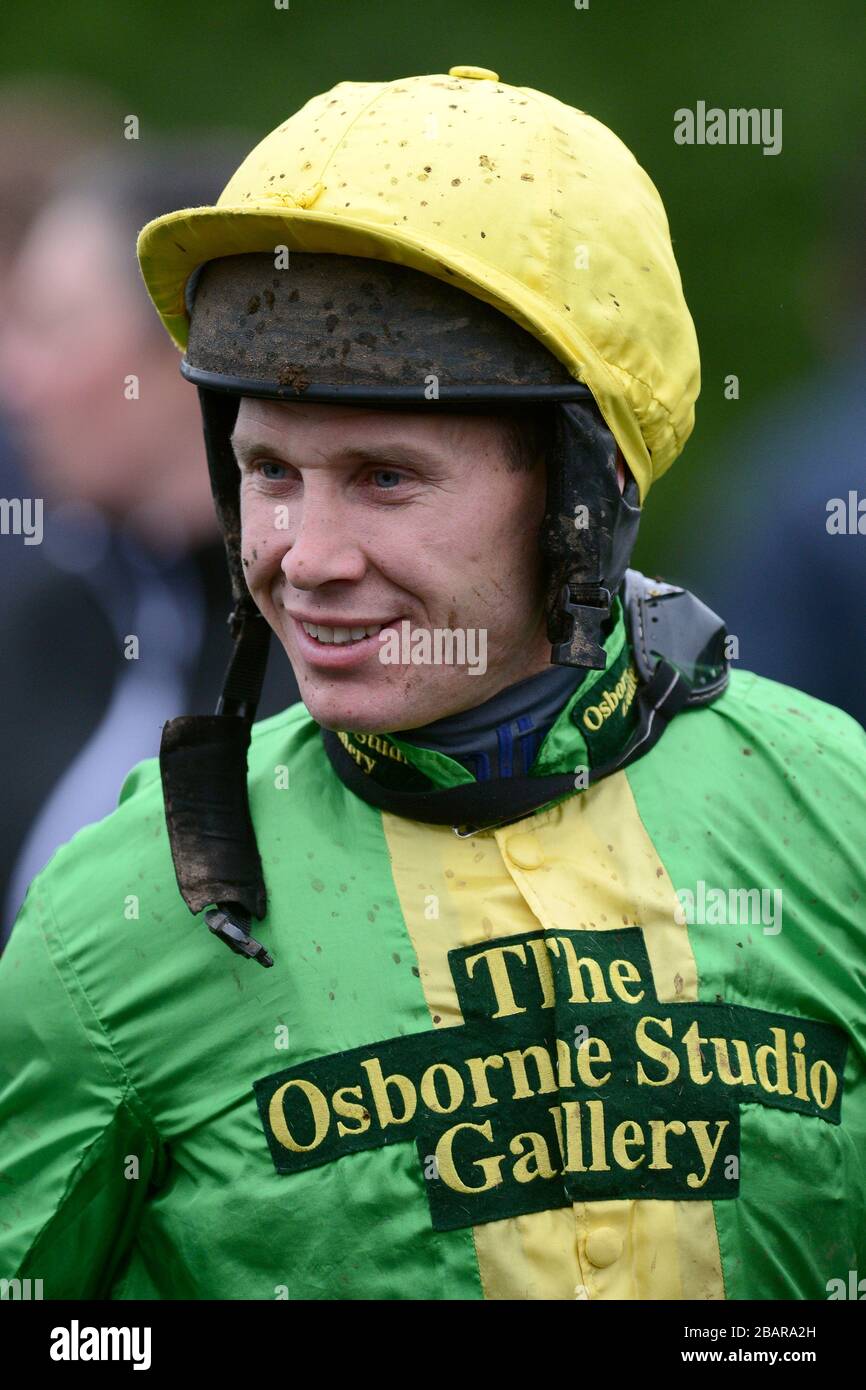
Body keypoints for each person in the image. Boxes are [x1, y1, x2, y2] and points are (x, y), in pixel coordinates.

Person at [0, 66, 863, 1303]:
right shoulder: (109, 922)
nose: (305, 556)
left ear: (585, 489)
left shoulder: (837, 815)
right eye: (269, 471)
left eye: (386, 476)